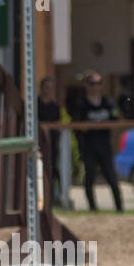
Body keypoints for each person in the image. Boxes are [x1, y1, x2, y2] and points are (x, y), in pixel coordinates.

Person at [68, 70, 124, 212]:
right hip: (89, 146)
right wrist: (93, 125)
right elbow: (79, 125)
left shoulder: (108, 102)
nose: (96, 86)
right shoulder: (82, 104)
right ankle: (92, 208)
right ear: (87, 85)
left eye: (99, 83)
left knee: (111, 177)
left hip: (104, 144)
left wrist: (97, 125)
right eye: (92, 83)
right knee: (89, 177)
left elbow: (115, 119)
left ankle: (119, 208)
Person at [36, 76, 62, 208]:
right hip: (36, 143)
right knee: (36, 170)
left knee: (52, 171)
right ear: (41, 88)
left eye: (51, 88)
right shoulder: (34, 104)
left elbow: (57, 126)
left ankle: (52, 198)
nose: (49, 90)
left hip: (51, 144)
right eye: (46, 87)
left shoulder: (55, 107)